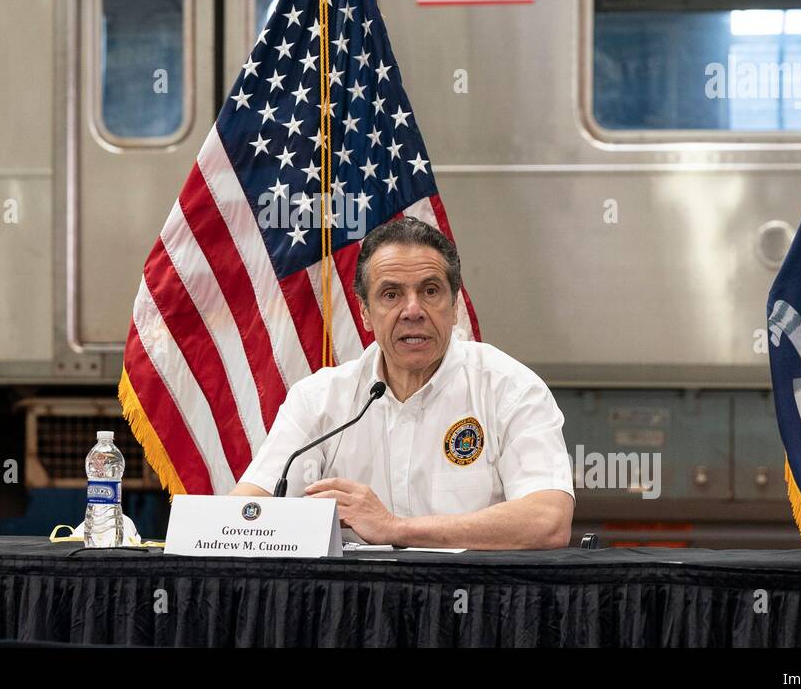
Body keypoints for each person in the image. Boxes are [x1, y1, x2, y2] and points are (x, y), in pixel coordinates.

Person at [229, 216, 574, 550]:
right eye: (391, 295)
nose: (413, 310)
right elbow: (246, 511)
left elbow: (547, 519)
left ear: (454, 306)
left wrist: (395, 528)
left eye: (430, 291)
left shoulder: (509, 388)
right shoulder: (319, 399)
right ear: (365, 312)